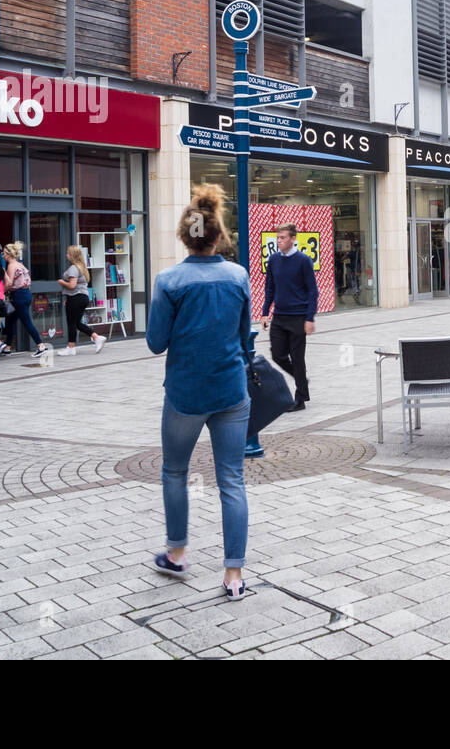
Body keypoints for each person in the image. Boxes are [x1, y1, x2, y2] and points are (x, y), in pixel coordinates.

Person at [146, 184, 253, 602]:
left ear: (184, 235)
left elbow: (156, 342)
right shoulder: (238, 276)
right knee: (232, 479)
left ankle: (176, 553)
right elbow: (246, 338)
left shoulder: (169, 281)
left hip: (185, 393)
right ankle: (233, 575)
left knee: (175, 472)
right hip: (231, 391)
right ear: (217, 235)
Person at [261, 222, 317, 411]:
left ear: (293, 239)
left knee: (297, 358)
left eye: (283, 237)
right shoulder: (274, 260)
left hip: (298, 317)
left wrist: (310, 318)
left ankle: (300, 399)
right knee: (277, 355)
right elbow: (270, 288)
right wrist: (264, 312)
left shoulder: (304, 261)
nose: (279, 241)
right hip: (279, 317)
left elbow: (312, 292)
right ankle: (301, 379)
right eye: (277, 237)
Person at [1, 242, 49, 357]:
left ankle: (40, 345)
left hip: (19, 296)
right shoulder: (20, 264)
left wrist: (1, 287)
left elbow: (9, 283)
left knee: (26, 321)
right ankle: (7, 347)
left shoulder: (11, 266)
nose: (2, 255)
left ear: (8, 254)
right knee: (10, 320)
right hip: (25, 294)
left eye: (3, 253)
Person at [58, 245, 105, 355]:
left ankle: (71, 348)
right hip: (81, 297)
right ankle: (97, 338)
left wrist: (61, 282)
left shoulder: (74, 268)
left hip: (76, 297)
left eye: (68, 253)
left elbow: (72, 285)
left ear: (72, 255)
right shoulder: (82, 267)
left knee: (71, 323)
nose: (66, 255)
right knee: (77, 323)